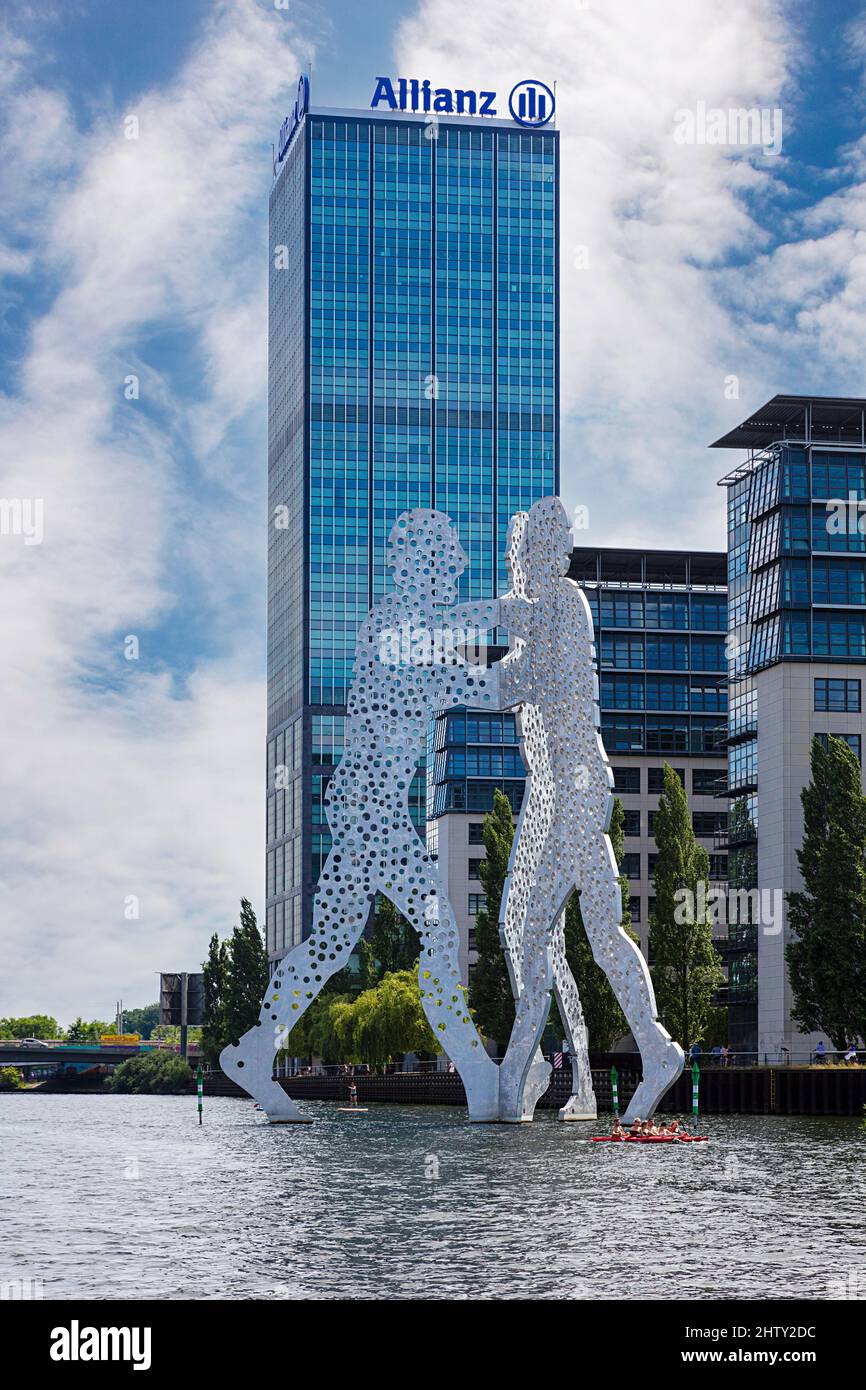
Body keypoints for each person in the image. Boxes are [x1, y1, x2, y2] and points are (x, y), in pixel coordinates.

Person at [221, 511, 503, 1123]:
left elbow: (460, 634)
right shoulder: (391, 628)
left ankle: (255, 1050)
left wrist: (512, 619)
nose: (456, 572)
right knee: (440, 932)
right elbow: (460, 681)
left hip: (361, 806)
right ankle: (478, 1076)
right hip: (369, 809)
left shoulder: (411, 625)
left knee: (330, 943)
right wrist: (522, 662)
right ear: (419, 566)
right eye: (447, 562)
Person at [497, 498, 684, 1125]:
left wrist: (430, 623)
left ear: (554, 552)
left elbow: (512, 644)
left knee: (530, 929)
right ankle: (652, 1050)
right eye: (528, 552)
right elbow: (502, 679)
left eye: (539, 549)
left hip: (575, 791)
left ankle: (519, 1081)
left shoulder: (562, 607)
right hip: (564, 792)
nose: (531, 561)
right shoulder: (544, 623)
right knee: (598, 931)